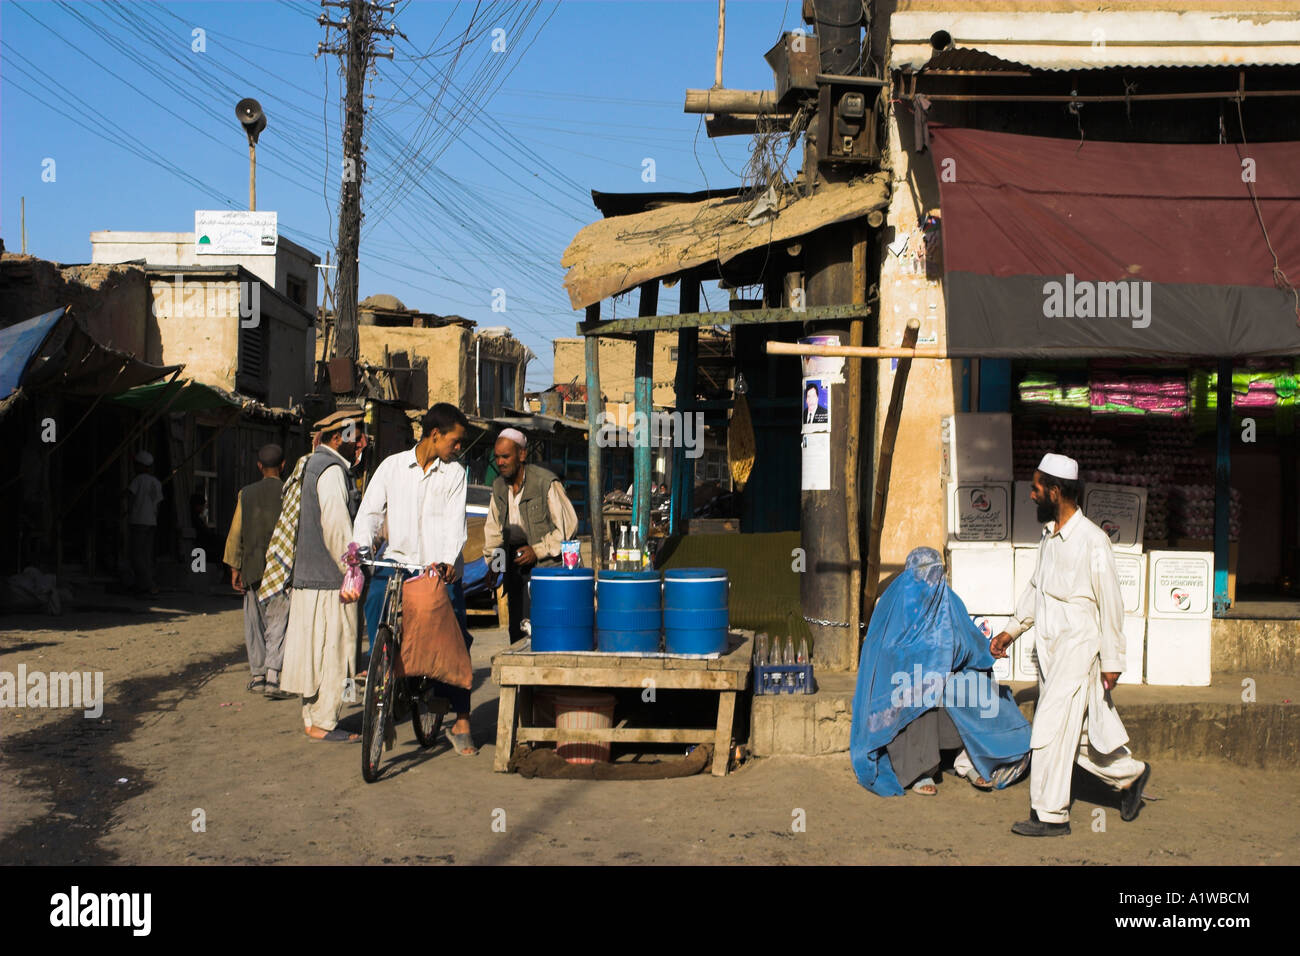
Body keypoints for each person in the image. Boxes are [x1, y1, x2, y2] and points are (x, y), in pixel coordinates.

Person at [991, 453, 1152, 836]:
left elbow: (1112, 602)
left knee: (1048, 729)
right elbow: (1036, 591)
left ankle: (1050, 815)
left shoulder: (1093, 541)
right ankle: (1130, 775)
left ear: (1056, 491)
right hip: (1050, 652)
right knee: (1076, 735)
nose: (1031, 495)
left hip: (1079, 652)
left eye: (1036, 488)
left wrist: (1113, 659)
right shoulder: (1049, 538)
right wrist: (1011, 631)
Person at [350, 403, 479, 756]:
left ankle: (462, 717)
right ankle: (385, 683)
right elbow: (370, 514)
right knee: (376, 611)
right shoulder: (392, 467)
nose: (458, 448)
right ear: (434, 435)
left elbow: (455, 525)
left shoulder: (454, 474)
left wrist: (446, 562)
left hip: (436, 566)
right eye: (454, 441)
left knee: (454, 629)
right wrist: (359, 550)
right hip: (395, 563)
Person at [850, 547, 1031, 797]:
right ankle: (919, 769)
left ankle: (969, 760)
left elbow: (968, 640)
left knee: (974, 683)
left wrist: (975, 652)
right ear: (910, 576)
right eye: (922, 575)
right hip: (902, 678)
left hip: (945, 672)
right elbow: (883, 653)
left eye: (934, 575)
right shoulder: (894, 604)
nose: (929, 583)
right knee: (918, 689)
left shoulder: (949, 601)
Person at [280, 410, 363, 742]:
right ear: (334, 439)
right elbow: (337, 527)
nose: (359, 442)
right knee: (335, 653)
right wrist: (351, 571)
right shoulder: (330, 471)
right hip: (331, 581)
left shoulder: (311, 465)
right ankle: (325, 722)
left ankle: (313, 719)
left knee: (315, 654)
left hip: (309, 578)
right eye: (354, 437)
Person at [483, 427, 579, 646]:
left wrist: (536, 550)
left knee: (547, 632)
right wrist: (494, 565)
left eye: (505, 456)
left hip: (547, 571)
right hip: (515, 571)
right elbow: (494, 531)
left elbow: (568, 527)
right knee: (518, 633)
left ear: (522, 455)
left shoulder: (545, 482)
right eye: (497, 457)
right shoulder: (499, 487)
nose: (500, 462)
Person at [223, 443, 292, 698]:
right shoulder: (290, 493)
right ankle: (274, 677)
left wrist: (234, 566)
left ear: (259, 466)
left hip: (253, 568)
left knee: (254, 623)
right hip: (282, 569)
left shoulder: (246, 493)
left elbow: (235, 533)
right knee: (279, 622)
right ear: (284, 465)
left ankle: (258, 676)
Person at [125, 450, 164, 595]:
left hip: (138, 520)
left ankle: (149, 584)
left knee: (136, 555)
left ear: (141, 466)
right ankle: (142, 584)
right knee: (146, 555)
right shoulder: (156, 483)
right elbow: (158, 504)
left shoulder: (138, 480)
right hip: (151, 522)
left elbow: (130, 497)